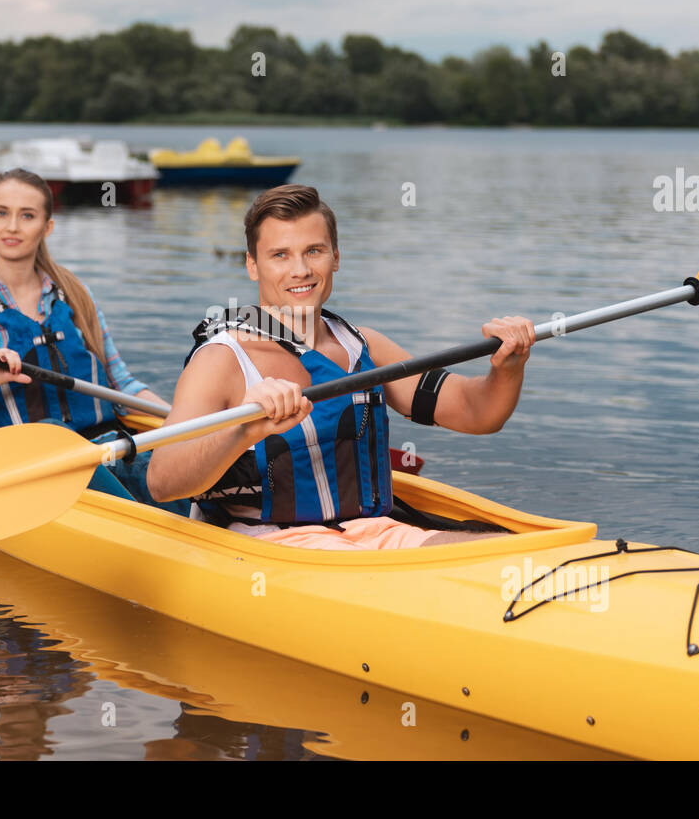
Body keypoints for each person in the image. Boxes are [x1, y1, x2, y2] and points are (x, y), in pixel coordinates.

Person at [146, 184, 536, 548]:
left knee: (513, 551)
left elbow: (477, 412)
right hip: (270, 545)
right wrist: (244, 430)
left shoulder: (364, 345)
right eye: (280, 255)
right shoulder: (223, 359)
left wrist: (507, 368)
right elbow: (163, 482)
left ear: (336, 257)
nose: (300, 270)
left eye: (314, 251)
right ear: (252, 265)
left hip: (368, 532)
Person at [0, 167, 178, 508]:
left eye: (28, 216)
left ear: (47, 227)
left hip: (106, 449)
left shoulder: (74, 294)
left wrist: (183, 418)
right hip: (32, 465)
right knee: (51, 433)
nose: (12, 227)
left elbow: (121, 384)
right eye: (1, 213)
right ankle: (151, 521)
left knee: (176, 464)